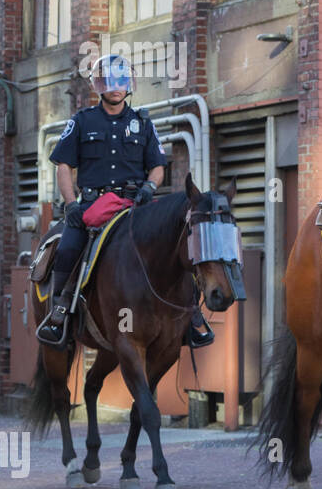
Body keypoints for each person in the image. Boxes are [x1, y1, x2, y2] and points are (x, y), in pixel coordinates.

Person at [36, 55, 213, 349]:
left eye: (120, 81)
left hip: (135, 208)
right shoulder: (82, 121)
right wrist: (71, 206)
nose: (115, 88)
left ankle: (193, 317)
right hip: (92, 207)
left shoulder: (142, 122)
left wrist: (148, 187)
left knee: (178, 244)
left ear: (128, 84)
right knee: (67, 249)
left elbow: (158, 166)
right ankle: (59, 313)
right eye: (108, 81)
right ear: (98, 86)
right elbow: (64, 166)